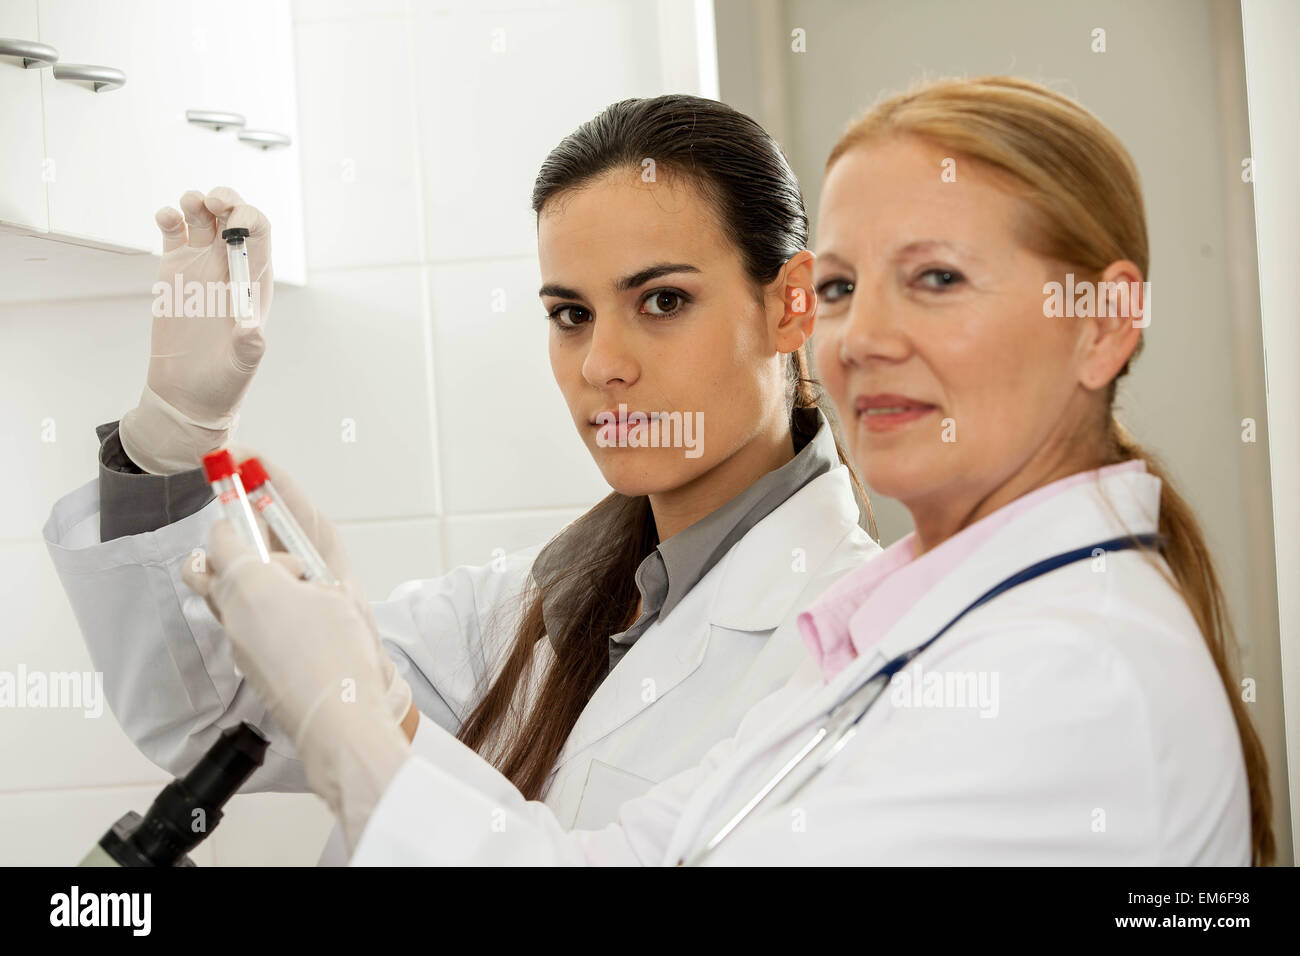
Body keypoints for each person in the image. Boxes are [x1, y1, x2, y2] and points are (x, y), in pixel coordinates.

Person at [193, 76, 1272, 865]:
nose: (863, 340)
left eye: (937, 278)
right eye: (846, 288)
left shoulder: (1062, 674)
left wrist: (344, 711)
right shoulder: (902, 629)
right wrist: (358, 684)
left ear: (1103, 324)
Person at [42, 95, 881, 862]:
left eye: (662, 301)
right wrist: (170, 439)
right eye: (570, 315)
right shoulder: (518, 608)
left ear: (790, 305)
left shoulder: (849, 652)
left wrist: (374, 709)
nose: (602, 364)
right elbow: (215, 716)